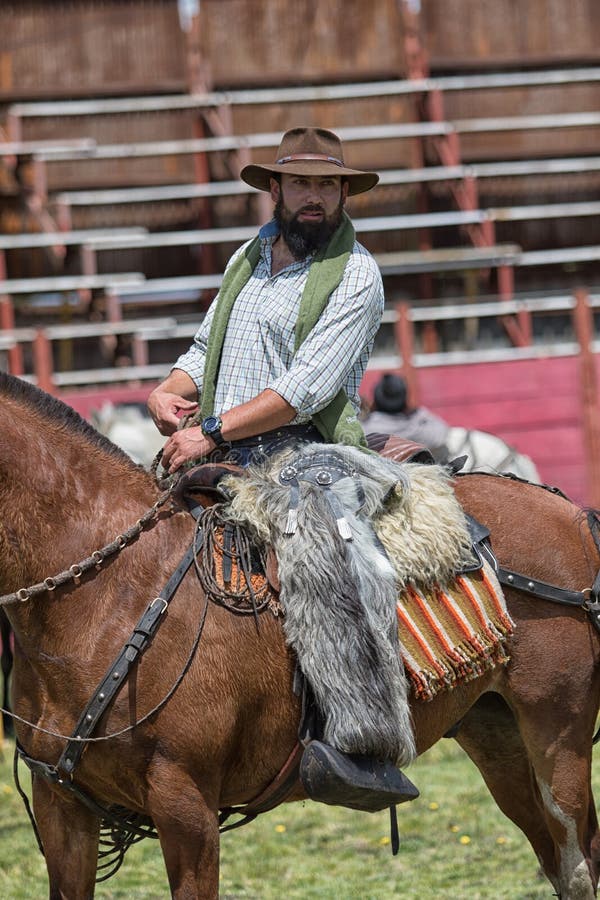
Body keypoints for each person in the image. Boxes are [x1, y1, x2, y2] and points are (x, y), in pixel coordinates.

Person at [147, 127, 418, 811]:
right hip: (221, 445)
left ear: (344, 194)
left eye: (329, 186)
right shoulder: (248, 256)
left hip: (305, 449)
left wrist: (208, 432)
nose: (315, 198)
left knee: (324, 547)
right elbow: (207, 341)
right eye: (301, 184)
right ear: (275, 189)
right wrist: (170, 386)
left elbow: (306, 389)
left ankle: (360, 737)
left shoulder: (357, 273)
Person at [364, 372, 450, 462]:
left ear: (376, 400)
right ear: (404, 400)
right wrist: (419, 412)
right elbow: (442, 432)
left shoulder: (366, 431)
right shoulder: (417, 429)